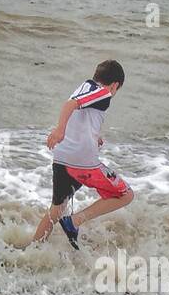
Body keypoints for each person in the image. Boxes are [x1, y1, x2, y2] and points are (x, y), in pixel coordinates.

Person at [31, 59, 133, 247]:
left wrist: (94, 136)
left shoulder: (84, 87)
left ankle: (32, 249)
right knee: (126, 195)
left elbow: (80, 115)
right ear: (115, 85)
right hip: (81, 162)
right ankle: (75, 221)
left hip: (62, 158)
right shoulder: (103, 93)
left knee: (56, 210)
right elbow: (69, 105)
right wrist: (59, 130)